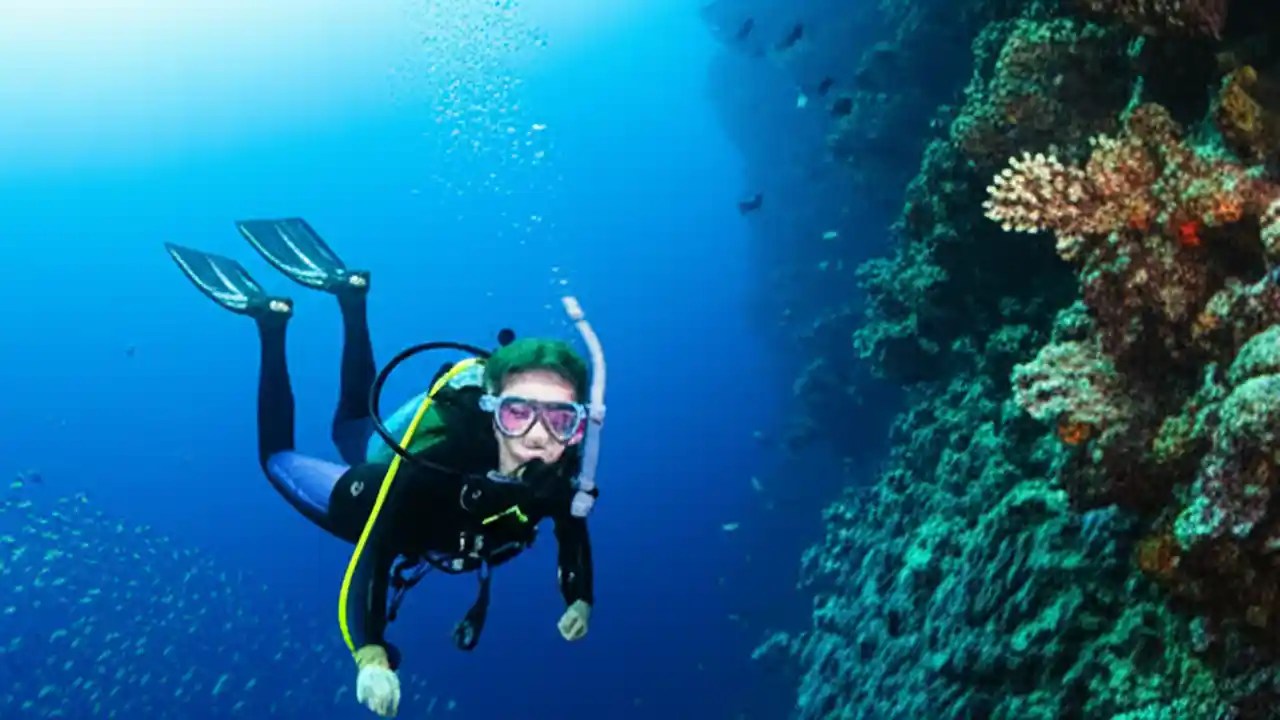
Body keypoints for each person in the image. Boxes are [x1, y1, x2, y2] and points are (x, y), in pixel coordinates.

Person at [163, 218, 604, 718]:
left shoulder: (563, 478)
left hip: (414, 499)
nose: (539, 436)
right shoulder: (436, 465)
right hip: (371, 495)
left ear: (579, 426)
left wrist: (579, 597)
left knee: (353, 427)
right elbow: (372, 556)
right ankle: (271, 323)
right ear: (492, 412)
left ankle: (350, 297)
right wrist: (370, 654)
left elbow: (573, 533)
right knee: (292, 455)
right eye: (518, 413)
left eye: (561, 419)